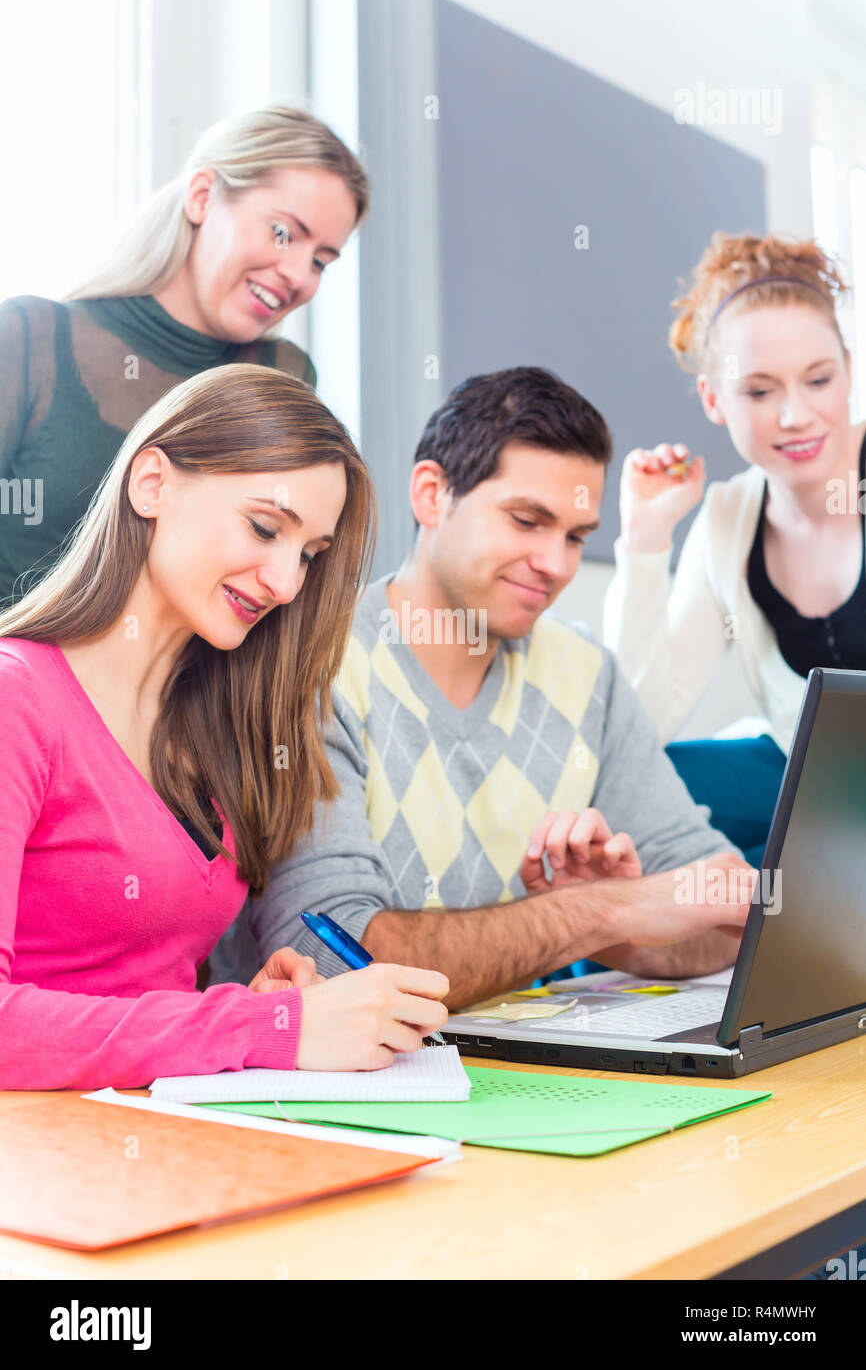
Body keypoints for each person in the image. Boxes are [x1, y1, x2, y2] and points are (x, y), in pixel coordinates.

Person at [210, 367, 755, 1007]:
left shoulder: (588, 677)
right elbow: (327, 963)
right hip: (313, 1085)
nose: (556, 564)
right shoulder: (310, 666)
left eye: (576, 537)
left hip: (506, 1073)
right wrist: (599, 912)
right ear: (431, 494)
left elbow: (728, 912)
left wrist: (624, 937)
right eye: (527, 520)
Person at [0, 363, 449, 1092]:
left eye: (309, 555)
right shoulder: (16, 699)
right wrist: (263, 1029)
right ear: (152, 483)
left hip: (161, 1141)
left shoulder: (209, 731)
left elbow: (128, 1002)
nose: (286, 583)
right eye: (265, 527)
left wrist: (242, 1008)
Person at [0, 103, 368, 603]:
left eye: (321, 261)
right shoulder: (29, 340)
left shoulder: (284, 375)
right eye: (283, 233)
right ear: (201, 197)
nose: (300, 276)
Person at [603, 232, 864, 866]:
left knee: (761, 879)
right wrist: (644, 540)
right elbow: (640, 725)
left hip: (840, 804)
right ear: (714, 400)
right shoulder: (726, 518)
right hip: (804, 780)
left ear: (848, 373)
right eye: (759, 391)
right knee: (617, 798)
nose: (796, 415)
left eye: (819, 380)